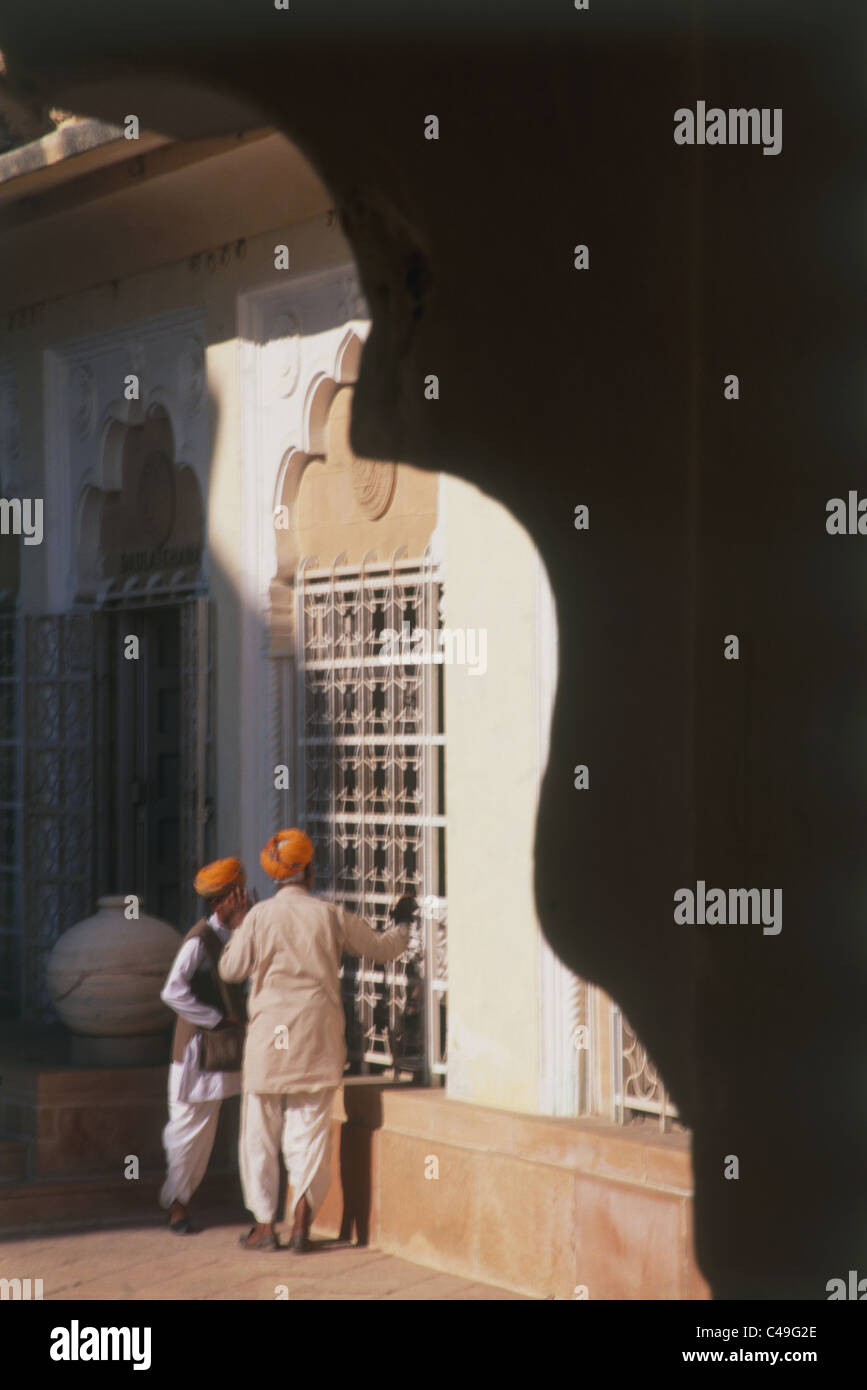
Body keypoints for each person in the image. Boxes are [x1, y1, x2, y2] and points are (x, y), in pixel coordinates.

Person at [219, 829, 410, 1252]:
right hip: (317, 1036)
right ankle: (303, 1221)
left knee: (259, 1135)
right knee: (310, 1129)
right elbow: (381, 949)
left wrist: (236, 925)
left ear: (275, 874)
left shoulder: (259, 916)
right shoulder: (329, 914)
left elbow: (231, 971)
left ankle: (266, 1225)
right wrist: (404, 922)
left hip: (270, 1039)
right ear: (308, 869)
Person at [159, 857, 250, 1234]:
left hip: (227, 1053)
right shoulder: (199, 940)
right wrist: (215, 1019)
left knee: (205, 1133)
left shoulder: (242, 931)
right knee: (187, 1133)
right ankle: (177, 1205)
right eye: (236, 895)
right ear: (219, 902)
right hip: (197, 1054)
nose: (243, 898)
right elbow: (172, 991)